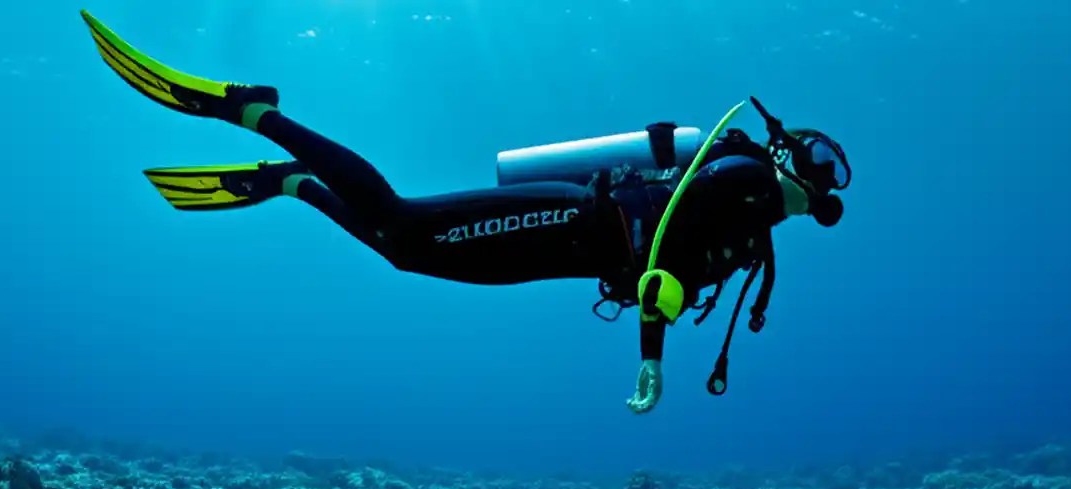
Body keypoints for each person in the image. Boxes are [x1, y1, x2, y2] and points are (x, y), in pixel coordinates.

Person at [78, 10, 851, 414]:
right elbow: (668, 255)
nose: (825, 179)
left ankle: (290, 183)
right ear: (791, 159)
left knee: (406, 252)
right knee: (403, 221)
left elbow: (673, 269)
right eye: (821, 161)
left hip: (570, 251)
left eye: (831, 173)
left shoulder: (757, 232)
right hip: (571, 222)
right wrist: (652, 354)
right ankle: (251, 111)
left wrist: (659, 326)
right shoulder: (745, 175)